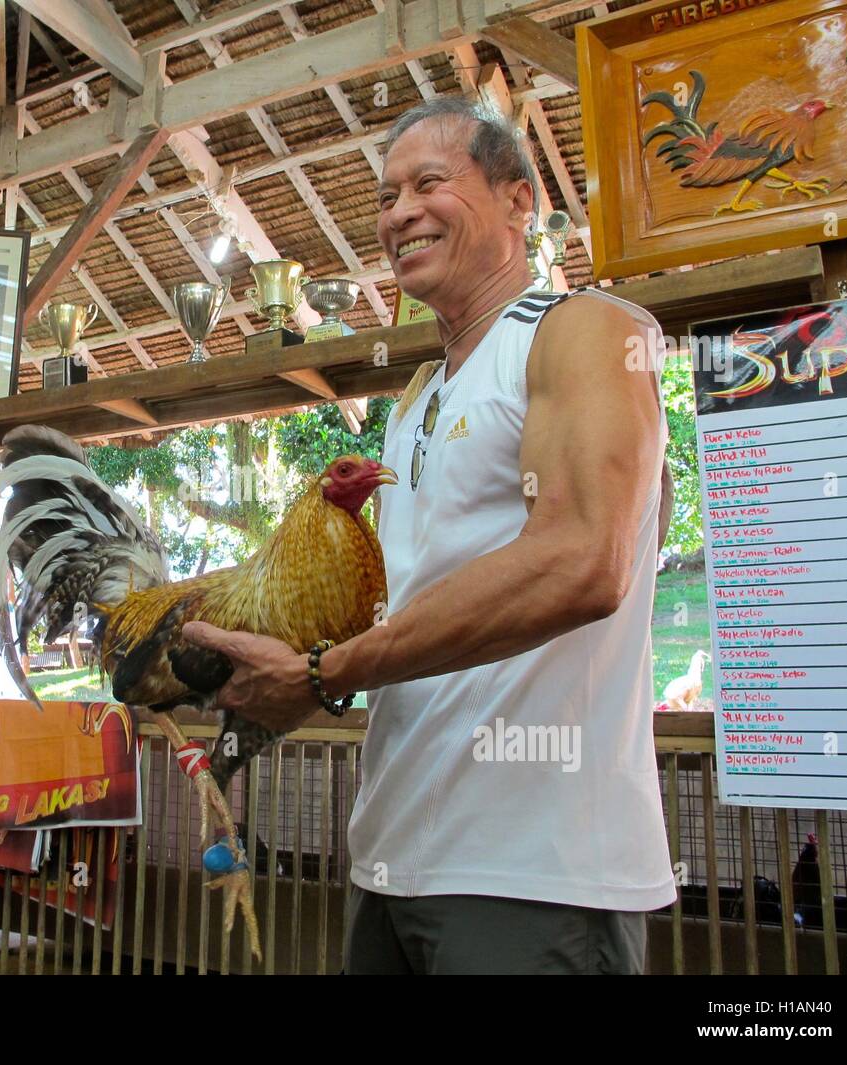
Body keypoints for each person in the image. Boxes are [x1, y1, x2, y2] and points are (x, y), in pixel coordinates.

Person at [182, 95, 676, 974]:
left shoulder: (582, 332)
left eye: (429, 183)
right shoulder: (412, 401)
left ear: (519, 202)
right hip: (390, 854)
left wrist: (323, 673)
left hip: (535, 869)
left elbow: (582, 561)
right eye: (384, 196)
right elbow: (425, 602)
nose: (399, 211)